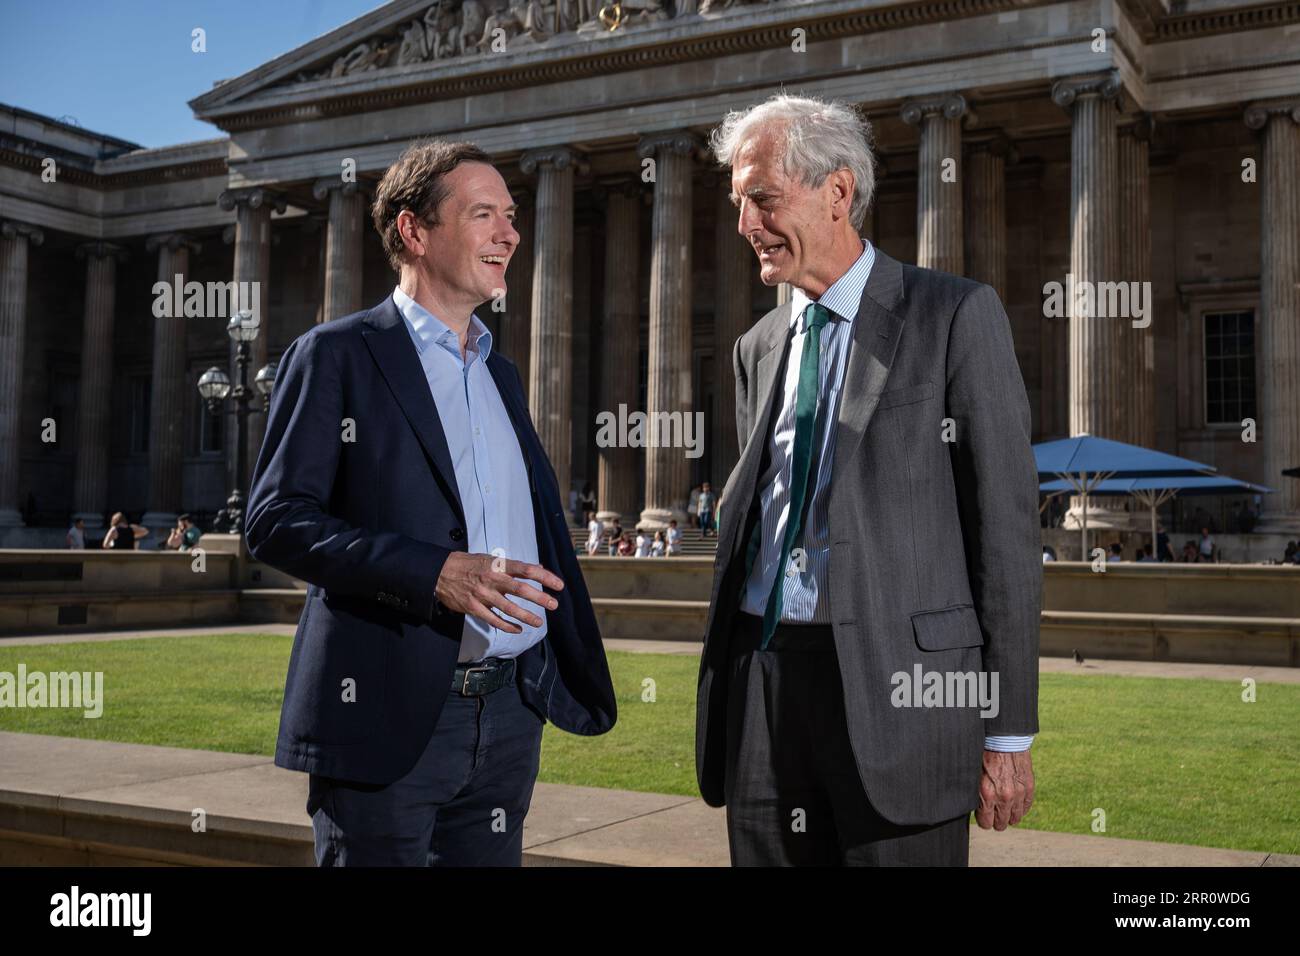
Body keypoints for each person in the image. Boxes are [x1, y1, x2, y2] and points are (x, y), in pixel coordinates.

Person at [245, 139, 616, 867]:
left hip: (508, 714)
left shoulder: (500, 372)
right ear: (414, 232)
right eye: (484, 215)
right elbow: (275, 521)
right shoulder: (336, 355)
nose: (510, 233)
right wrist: (432, 571)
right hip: (387, 710)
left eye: (511, 216)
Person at [696, 95, 1039, 866]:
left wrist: (1007, 730)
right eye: (738, 204)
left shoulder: (953, 315)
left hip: (903, 694)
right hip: (764, 677)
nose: (746, 222)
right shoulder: (757, 347)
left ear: (838, 193)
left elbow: (1008, 534)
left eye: (762, 199)